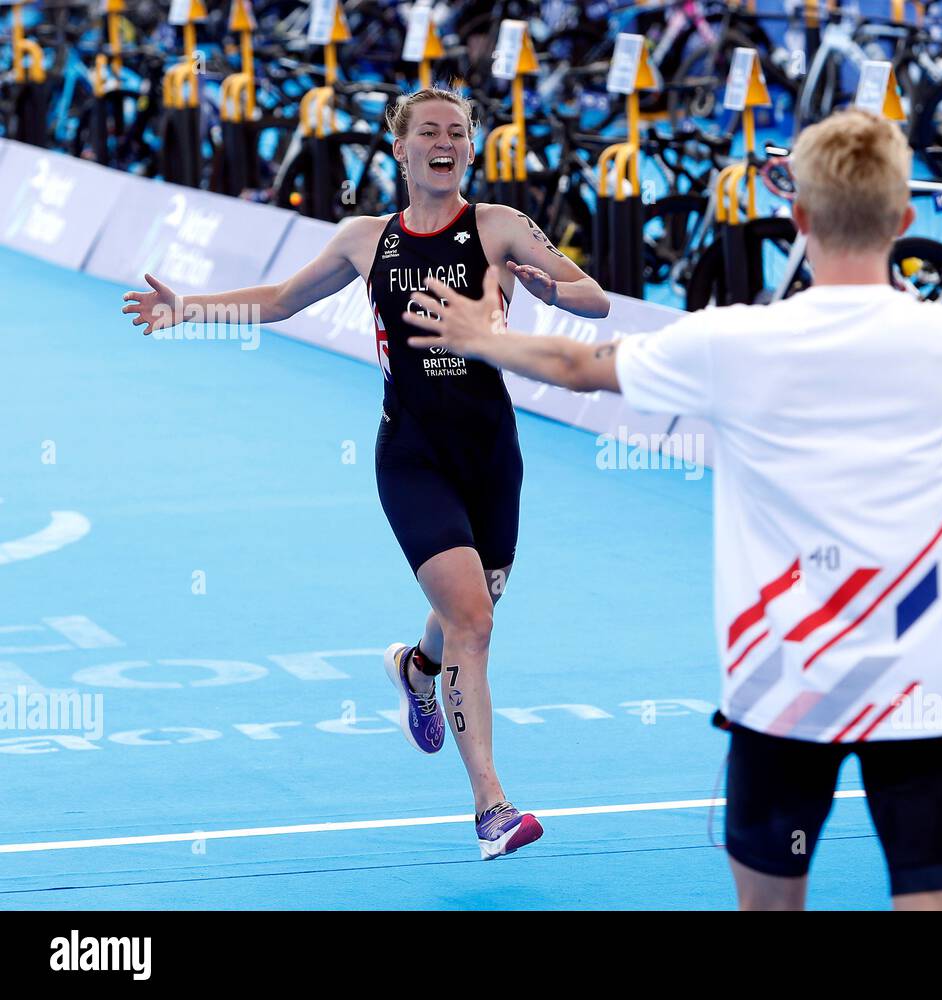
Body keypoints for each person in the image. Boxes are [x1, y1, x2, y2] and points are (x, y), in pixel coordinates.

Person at [400, 109, 942, 908]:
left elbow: (579, 363)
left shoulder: (732, 341)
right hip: (921, 700)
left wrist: (485, 337)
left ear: (797, 217)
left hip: (779, 700)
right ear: (907, 221)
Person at [121, 86, 610, 861]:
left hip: (492, 457)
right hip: (410, 457)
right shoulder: (364, 239)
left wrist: (550, 286)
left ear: (471, 148)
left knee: (467, 613)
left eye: (457, 131)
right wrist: (192, 309)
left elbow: (598, 300)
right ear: (399, 149)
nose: (444, 142)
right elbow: (282, 301)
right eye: (428, 132)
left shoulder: (500, 227)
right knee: (474, 626)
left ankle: (417, 672)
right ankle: (492, 806)